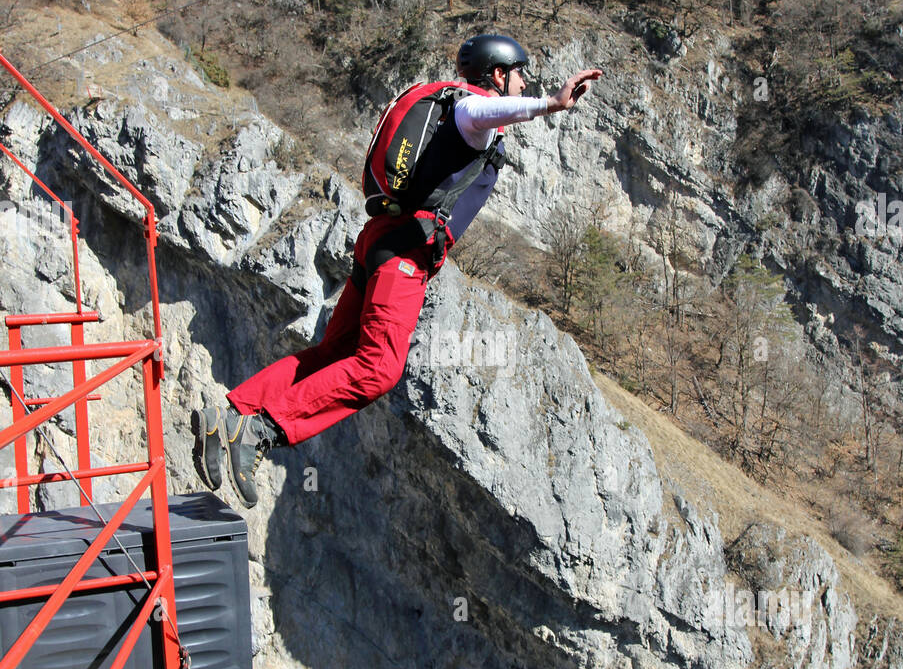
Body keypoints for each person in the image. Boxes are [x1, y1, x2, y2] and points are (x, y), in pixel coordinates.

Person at [192, 34, 602, 506]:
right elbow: (484, 113)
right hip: (404, 253)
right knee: (379, 368)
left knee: (335, 353)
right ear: (496, 75)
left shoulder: (454, 108)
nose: (525, 81)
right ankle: (258, 429)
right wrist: (550, 103)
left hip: (381, 243)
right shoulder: (472, 111)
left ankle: (230, 413)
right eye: (520, 73)